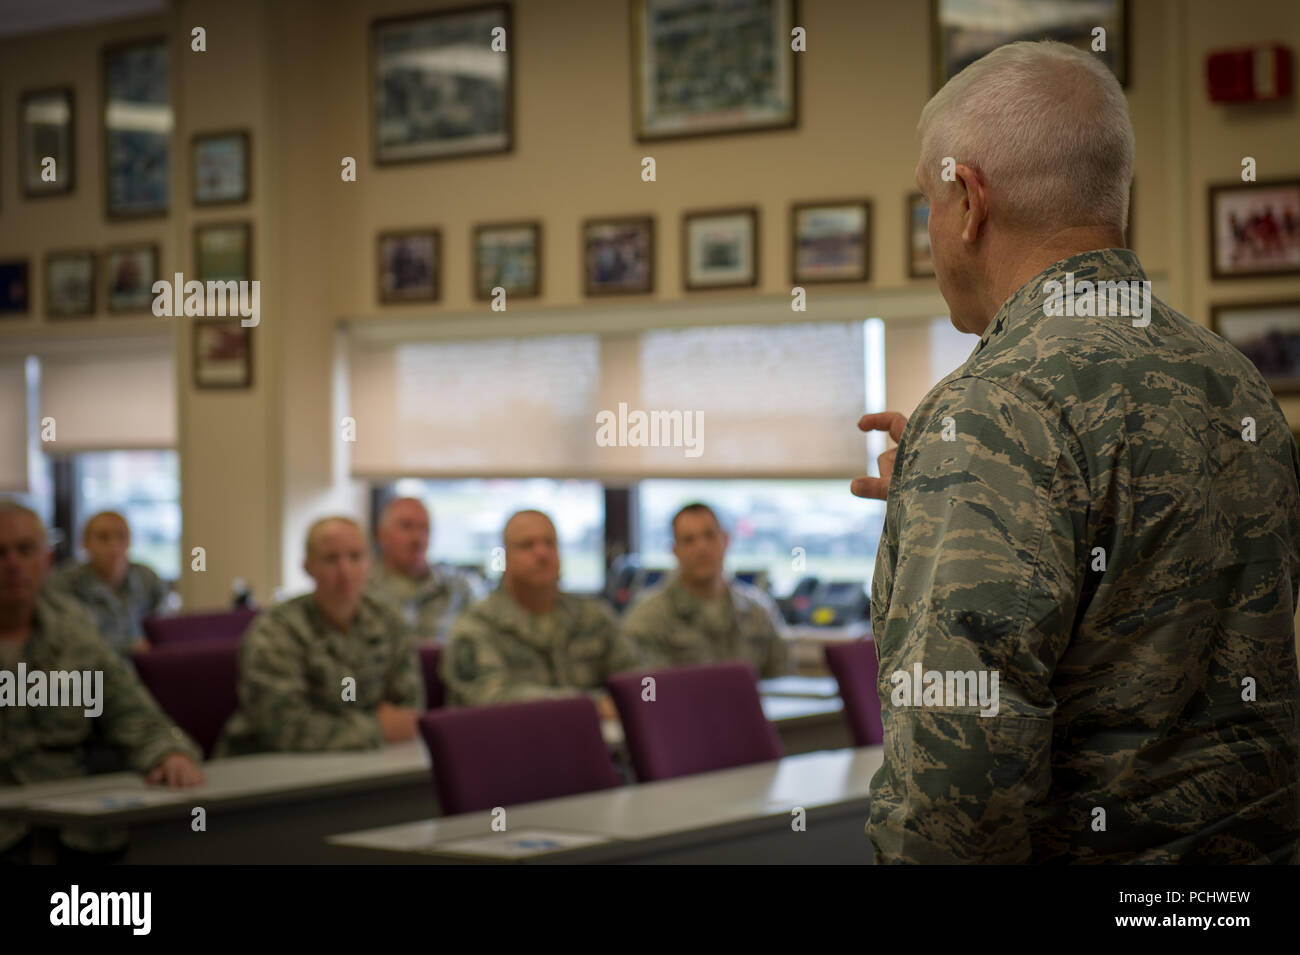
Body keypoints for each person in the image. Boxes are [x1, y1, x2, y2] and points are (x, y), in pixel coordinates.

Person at [852, 40, 1300, 864]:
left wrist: (971, 466)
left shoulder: (995, 411)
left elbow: (955, 797)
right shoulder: (1235, 382)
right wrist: (949, 492)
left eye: (926, 201)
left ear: (967, 198)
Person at [0, 502, 203, 864]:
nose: (12, 564)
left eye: (25, 550)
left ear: (45, 560)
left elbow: (128, 707)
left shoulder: (72, 629)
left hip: (71, 821)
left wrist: (168, 752)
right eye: (0, 552)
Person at [214, 516, 423, 756]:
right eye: (331, 559)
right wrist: (375, 729)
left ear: (370, 563)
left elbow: (408, 711)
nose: (344, 571)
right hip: (268, 766)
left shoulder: (389, 621)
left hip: (365, 762)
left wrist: (385, 727)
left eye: (355, 557)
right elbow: (284, 727)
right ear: (308, 567)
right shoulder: (276, 630)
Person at [443, 510, 638, 716]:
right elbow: (491, 698)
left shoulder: (593, 616)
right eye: (527, 545)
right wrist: (592, 706)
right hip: (511, 742)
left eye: (550, 543)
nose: (542, 553)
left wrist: (646, 701)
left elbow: (642, 677)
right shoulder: (476, 626)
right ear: (504, 557)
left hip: (601, 741)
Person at [621, 503, 787, 677]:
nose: (701, 548)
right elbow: (646, 692)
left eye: (709, 536)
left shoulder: (757, 612)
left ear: (726, 540)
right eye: (689, 540)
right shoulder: (648, 618)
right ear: (675, 550)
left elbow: (782, 683)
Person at [47, 510, 170, 658]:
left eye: (121, 536)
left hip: (143, 669)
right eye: (103, 538)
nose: (114, 546)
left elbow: (164, 628)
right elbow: (64, 640)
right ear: (85, 543)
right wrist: (128, 646)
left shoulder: (147, 578)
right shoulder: (66, 582)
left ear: (130, 541)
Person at [366, 497, 485, 642]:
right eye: (406, 527)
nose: (417, 537)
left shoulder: (458, 589)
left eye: (424, 528)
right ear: (381, 534)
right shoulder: (364, 588)